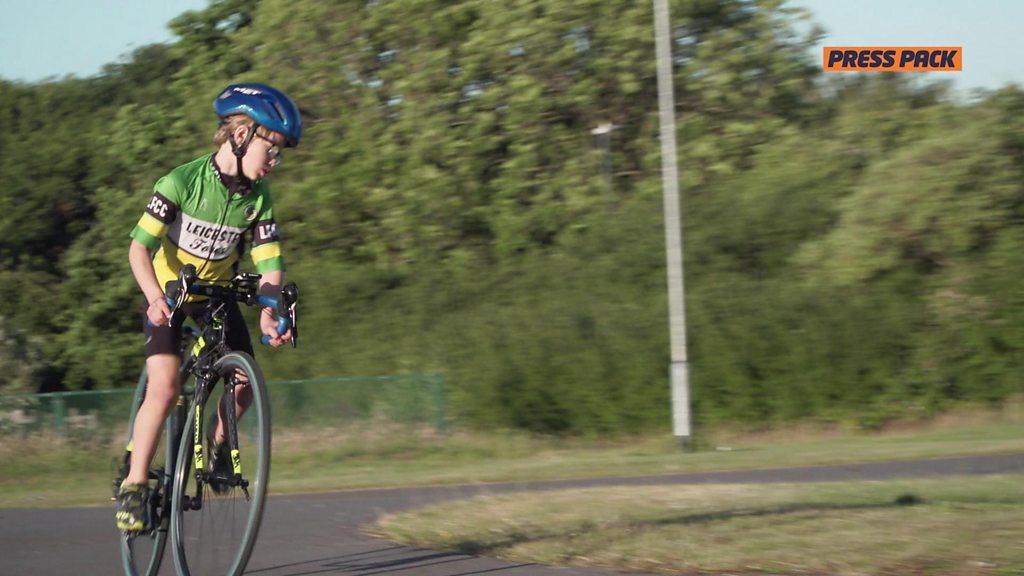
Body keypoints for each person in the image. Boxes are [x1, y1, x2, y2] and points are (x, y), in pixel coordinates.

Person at [115, 83, 302, 532]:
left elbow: (269, 263)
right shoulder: (180, 183)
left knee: (244, 386)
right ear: (239, 135)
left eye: (279, 154)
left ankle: (219, 447)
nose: (274, 161)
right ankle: (135, 487)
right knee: (163, 388)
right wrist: (155, 297)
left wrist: (270, 310)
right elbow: (139, 249)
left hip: (216, 296)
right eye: (270, 148)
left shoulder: (258, 199)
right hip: (171, 294)